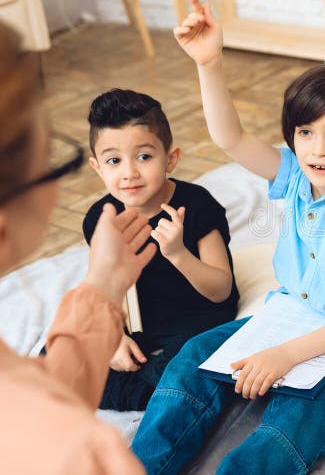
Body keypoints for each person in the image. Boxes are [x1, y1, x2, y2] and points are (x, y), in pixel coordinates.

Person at [131, 0, 325, 474]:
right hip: (292, 316)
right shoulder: (298, 175)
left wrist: (284, 357)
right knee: (191, 360)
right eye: (305, 132)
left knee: (294, 419)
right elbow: (231, 139)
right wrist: (209, 63)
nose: (318, 150)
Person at [0, 23, 153, 472]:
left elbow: (40, 393)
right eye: (52, 158)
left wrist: (103, 288)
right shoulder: (81, 452)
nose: (129, 173)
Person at [83, 88, 239, 411]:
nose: (129, 173)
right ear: (97, 168)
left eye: (144, 157)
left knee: (195, 356)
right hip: (139, 321)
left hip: (195, 317)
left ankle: (153, 388)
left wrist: (178, 253)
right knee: (61, 350)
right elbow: (101, 288)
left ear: (170, 158)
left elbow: (221, 290)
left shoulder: (197, 205)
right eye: (114, 161)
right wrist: (113, 335)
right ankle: (155, 390)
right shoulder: (101, 217)